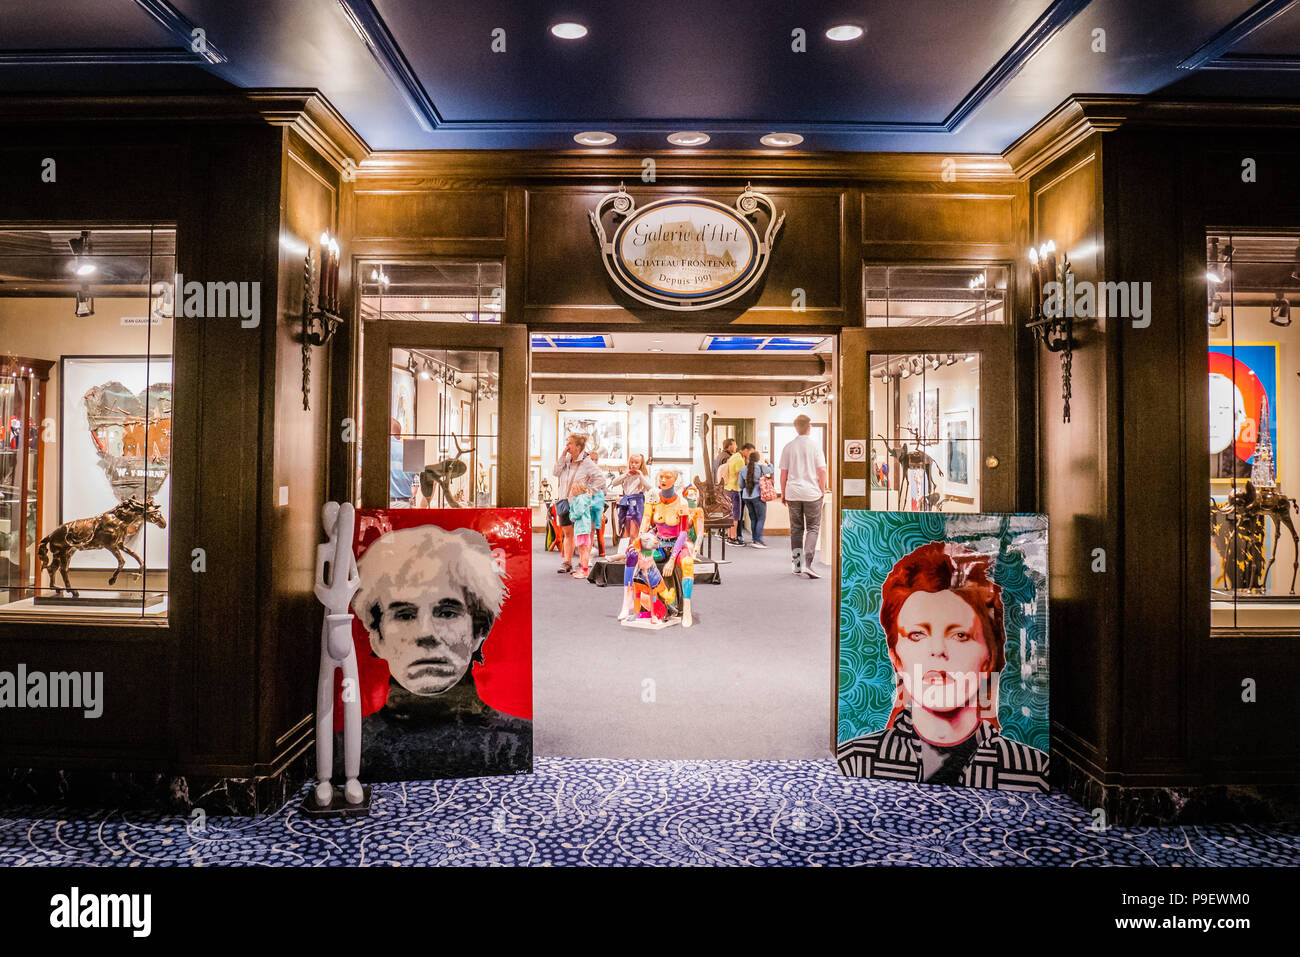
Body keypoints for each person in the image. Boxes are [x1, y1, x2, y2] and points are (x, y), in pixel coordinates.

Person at [835, 541, 1048, 792]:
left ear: (990, 655)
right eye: (917, 634)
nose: (937, 651)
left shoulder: (1033, 770)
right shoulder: (854, 762)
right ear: (895, 657)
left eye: (959, 635)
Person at [348, 523, 531, 780]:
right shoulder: (346, 750)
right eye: (405, 614)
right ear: (376, 638)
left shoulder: (517, 744)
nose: (426, 634)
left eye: (446, 612)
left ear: (479, 631)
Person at [779, 414, 827, 578]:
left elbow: (783, 473)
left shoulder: (788, 446)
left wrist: (783, 493)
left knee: (796, 529)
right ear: (809, 427)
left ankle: (797, 565)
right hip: (812, 493)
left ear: (796, 428)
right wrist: (823, 489)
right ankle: (808, 563)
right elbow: (822, 470)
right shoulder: (815, 446)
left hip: (793, 493)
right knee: (813, 528)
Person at [553, 432, 604, 574]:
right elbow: (555, 472)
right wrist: (562, 456)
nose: (567, 445)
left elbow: (600, 479)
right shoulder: (566, 459)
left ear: (578, 447)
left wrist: (588, 492)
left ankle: (583, 564)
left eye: (570, 443)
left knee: (582, 534)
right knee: (567, 533)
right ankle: (567, 562)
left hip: (578, 503)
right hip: (564, 501)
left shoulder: (587, 462)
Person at [610, 452, 653, 547]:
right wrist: (625, 475)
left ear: (641, 464)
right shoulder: (627, 474)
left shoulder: (643, 475)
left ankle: (634, 551)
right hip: (626, 503)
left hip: (637, 504)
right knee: (625, 527)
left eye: (636, 462)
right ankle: (623, 552)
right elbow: (614, 482)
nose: (633, 464)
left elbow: (650, 487)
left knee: (634, 528)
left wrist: (640, 475)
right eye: (632, 462)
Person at [739, 450, 773, 548]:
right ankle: (757, 540)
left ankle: (754, 539)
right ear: (758, 459)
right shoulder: (761, 468)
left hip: (746, 496)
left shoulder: (743, 469)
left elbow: (740, 485)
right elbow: (771, 470)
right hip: (758, 495)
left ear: (749, 459)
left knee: (753, 518)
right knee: (761, 518)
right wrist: (768, 462)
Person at [568, 478, 597, 579]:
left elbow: (578, 512)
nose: (571, 490)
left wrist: (572, 517)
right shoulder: (582, 498)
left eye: (573, 488)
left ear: (578, 489)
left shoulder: (580, 499)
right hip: (583, 527)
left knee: (583, 550)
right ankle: (583, 570)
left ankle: (584, 571)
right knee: (582, 550)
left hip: (582, 527)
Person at [724, 441, 752, 545]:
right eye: (750, 452)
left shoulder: (734, 456)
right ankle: (733, 538)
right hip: (735, 489)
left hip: (727, 488)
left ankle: (729, 536)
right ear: (746, 450)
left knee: (730, 514)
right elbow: (740, 475)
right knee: (736, 515)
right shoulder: (740, 459)